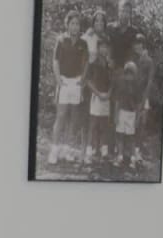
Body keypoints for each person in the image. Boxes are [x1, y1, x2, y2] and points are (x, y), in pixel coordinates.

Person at [50, 11, 89, 165]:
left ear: (80, 26)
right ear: (67, 25)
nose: (75, 26)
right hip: (64, 82)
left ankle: (67, 150)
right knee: (61, 116)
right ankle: (54, 150)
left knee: (74, 118)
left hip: (77, 82)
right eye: (72, 23)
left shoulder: (83, 43)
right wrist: (59, 80)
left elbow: (86, 63)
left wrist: (83, 80)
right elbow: (55, 62)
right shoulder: (61, 40)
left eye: (77, 24)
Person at [85, 34, 114, 164]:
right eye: (101, 47)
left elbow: (113, 81)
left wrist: (108, 94)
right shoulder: (93, 62)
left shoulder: (110, 64)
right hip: (96, 97)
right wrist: (97, 93)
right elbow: (88, 81)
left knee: (104, 125)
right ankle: (89, 151)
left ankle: (103, 151)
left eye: (106, 47)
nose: (104, 49)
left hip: (106, 97)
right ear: (98, 48)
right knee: (93, 124)